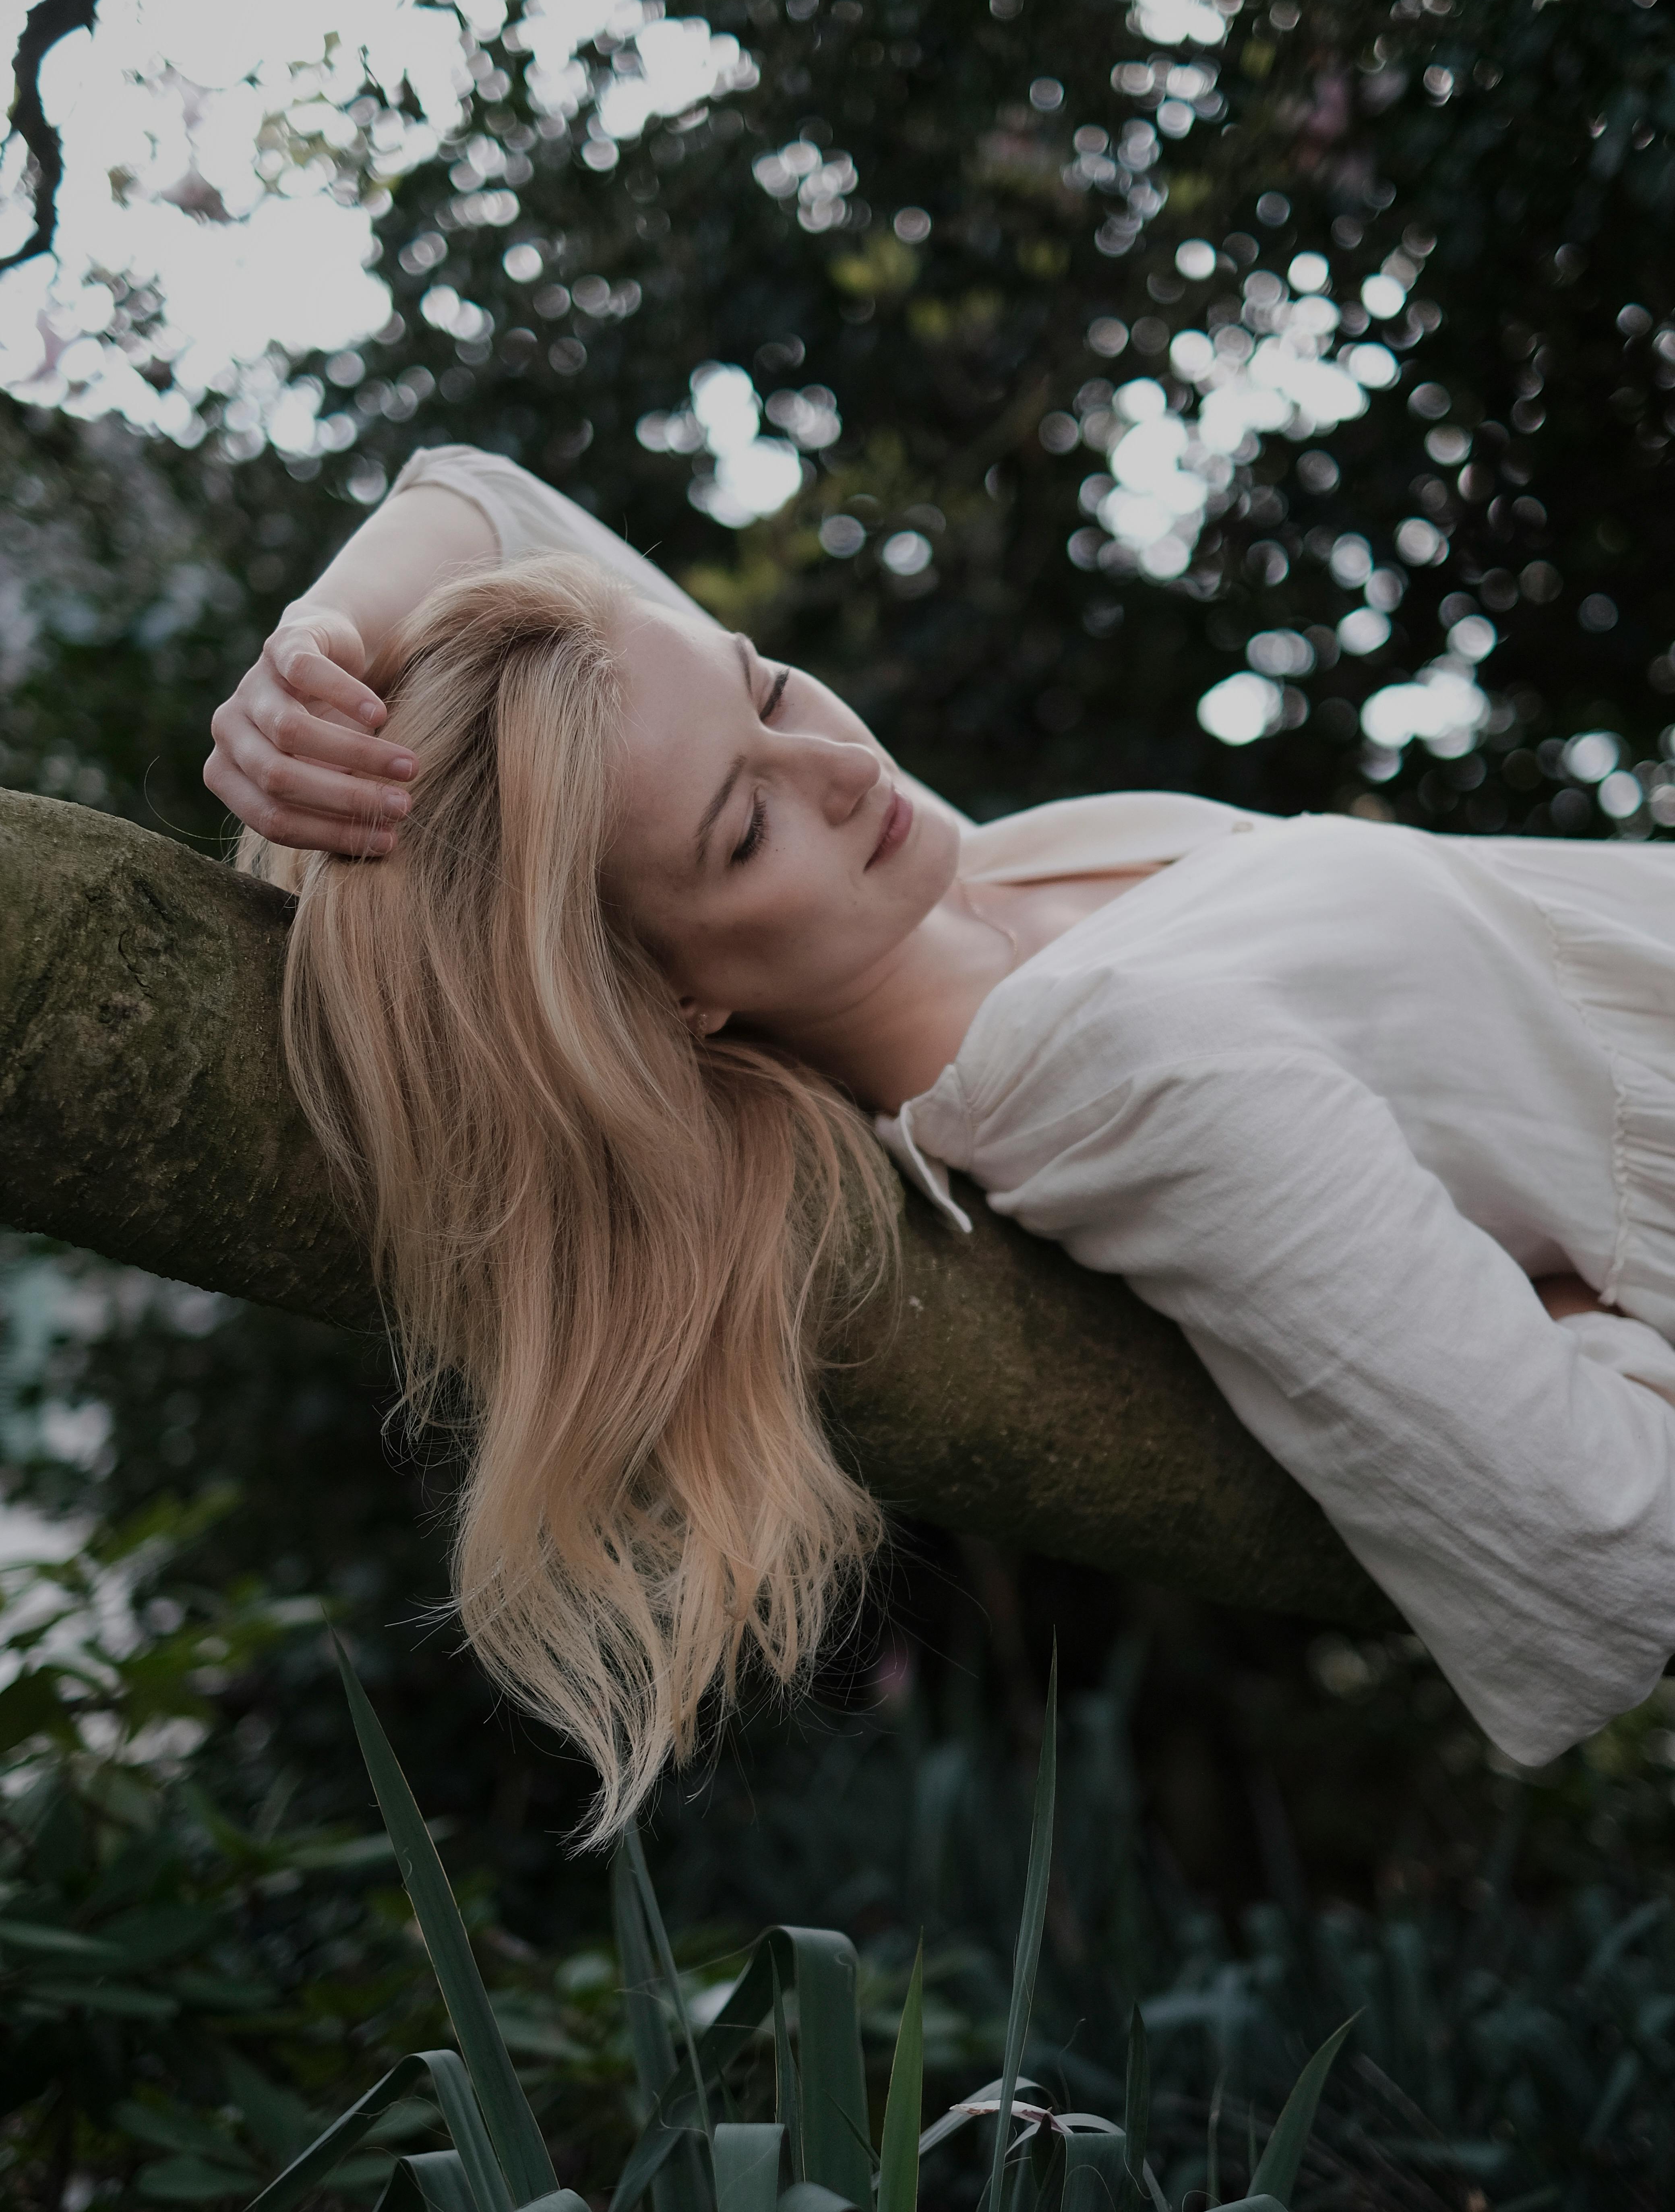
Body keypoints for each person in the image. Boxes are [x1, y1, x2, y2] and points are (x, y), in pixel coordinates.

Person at [209, 444, 1675, 1840]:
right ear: (678, 1001)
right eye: (745, 832)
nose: (837, 766)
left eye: (771, 683)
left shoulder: (945, 877)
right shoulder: (1119, 1065)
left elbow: (479, 497)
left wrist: (316, 652)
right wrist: (1574, 1325)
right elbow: (1609, 1570)